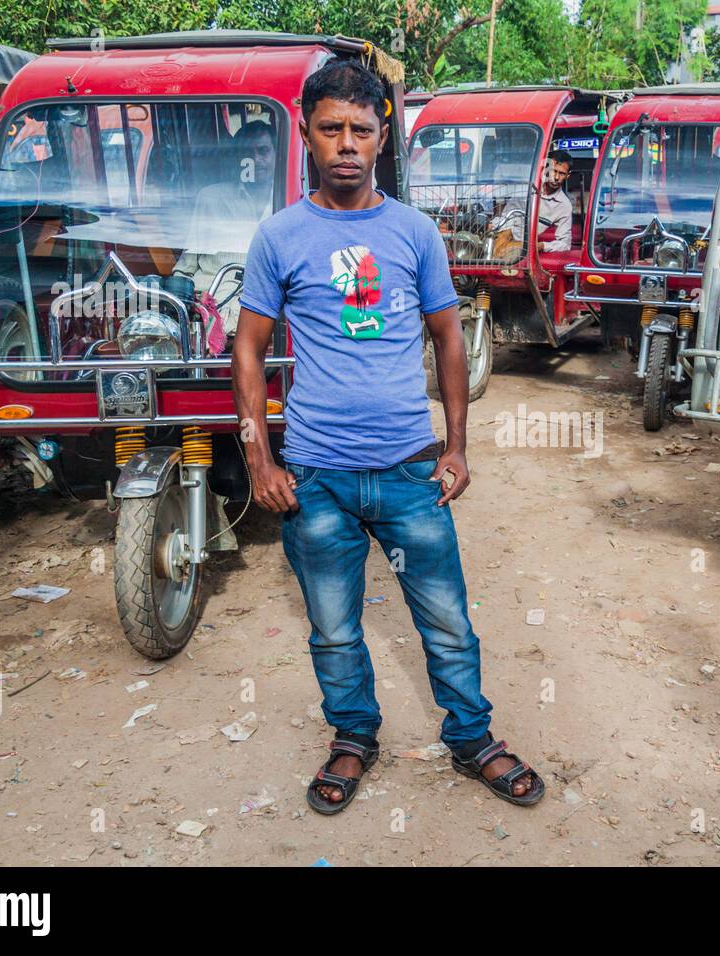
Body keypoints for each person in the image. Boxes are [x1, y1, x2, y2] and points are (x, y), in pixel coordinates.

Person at [231, 60, 545, 816]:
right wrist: (258, 459)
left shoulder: (413, 232)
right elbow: (247, 347)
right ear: (307, 133)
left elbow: (449, 339)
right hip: (317, 475)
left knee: (444, 619)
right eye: (331, 128)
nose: (346, 144)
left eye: (361, 130)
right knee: (334, 629)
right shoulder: (279, 237)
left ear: (381, 140)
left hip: (408, 469)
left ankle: (473, 738)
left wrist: (457, 445)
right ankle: (352, 737)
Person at [173, 120, 277, 339]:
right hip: (208, 315)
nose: (256, 160)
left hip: (264, 318)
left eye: (264, 151)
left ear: (277, 156)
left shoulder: (290, 204)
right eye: (248, 153)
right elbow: (185, 268)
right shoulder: (210, 198)